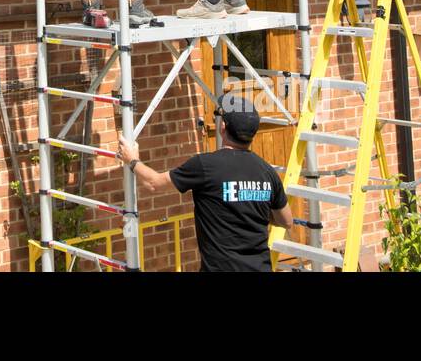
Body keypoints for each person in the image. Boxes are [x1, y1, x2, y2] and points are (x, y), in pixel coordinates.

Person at [118, 95, 293, 272]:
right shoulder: (268, 173)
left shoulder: (205, 166)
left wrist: (132, 160)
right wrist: (253, 206)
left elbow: (153, 183)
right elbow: (286, 221)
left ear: (223, 127)